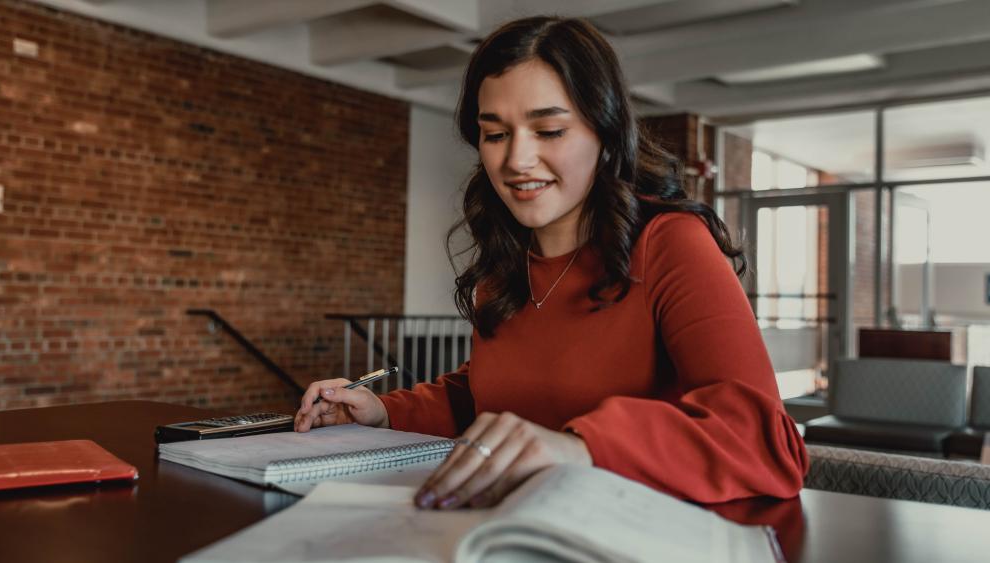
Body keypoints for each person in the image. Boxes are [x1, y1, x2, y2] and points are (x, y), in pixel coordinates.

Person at [294, 16, 808, 510]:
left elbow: (765, 440)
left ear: (604, 134)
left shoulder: (670, 242)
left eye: (549, 131)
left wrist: (580, 447)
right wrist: (385, 410)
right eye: (496, 134)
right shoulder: (504, 264)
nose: (516, 160)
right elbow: (492, 398)